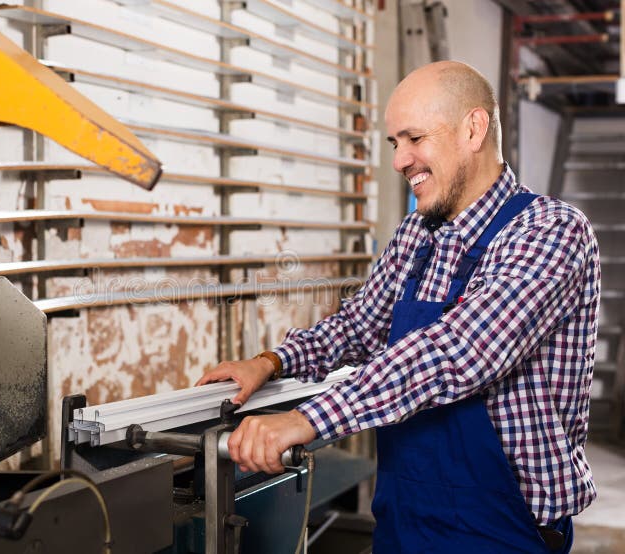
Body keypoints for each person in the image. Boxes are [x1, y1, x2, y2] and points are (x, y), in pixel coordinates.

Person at [196, 60, 600, 553]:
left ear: (473, 129)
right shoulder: (418, 235)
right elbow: (360, 327)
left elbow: (459, 351)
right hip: (404, 520)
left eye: (413, 138)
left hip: (498, 531)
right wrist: (271, 363)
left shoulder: (551, 230)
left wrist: (305, 420)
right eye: (394, 144)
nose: (399, 161)